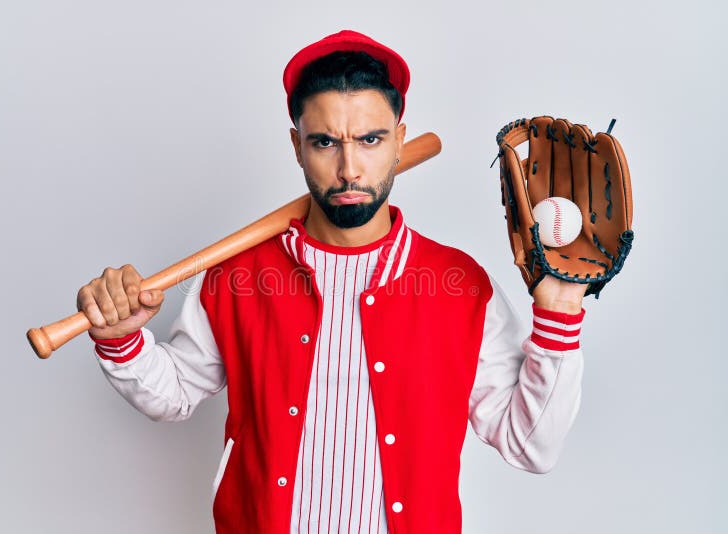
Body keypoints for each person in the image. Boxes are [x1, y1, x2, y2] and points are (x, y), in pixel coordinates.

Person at [77, 30, 588, 533]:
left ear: (399, 143)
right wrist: (120, 338)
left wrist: (560, 312)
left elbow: (530, 445)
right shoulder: (237, 277)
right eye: (325, 142)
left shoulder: (459, 286)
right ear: (297, 147)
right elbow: (174, 394)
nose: (348, 169)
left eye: (370, 139)